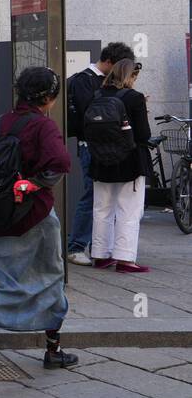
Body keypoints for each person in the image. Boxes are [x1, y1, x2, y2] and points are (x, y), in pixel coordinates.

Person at [0, 66, 74, 376]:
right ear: (48, 97)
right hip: (33, 216)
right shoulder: (43, 126)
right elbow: (60, 163)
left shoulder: (2, 121)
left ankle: (52, 350)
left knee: (18, 281)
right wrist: (34, 183)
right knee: (47, 279)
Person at [65, 42, 134, 266]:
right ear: (110, 62)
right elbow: (92, 115)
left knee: (104, 197)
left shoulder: (97, 81)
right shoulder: (84, 80)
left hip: (107, 145)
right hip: (91, 145)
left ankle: (100, 246)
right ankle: (76, 246)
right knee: (92, 195)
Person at [87, 58, 150, 274]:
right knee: (129, 210)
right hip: (129, 161)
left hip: (100, 160)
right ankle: (125, 259)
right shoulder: (135, 97)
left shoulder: (97, 96)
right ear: (129, 76)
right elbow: (143, 134)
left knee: (101, 209)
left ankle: (100, 255)